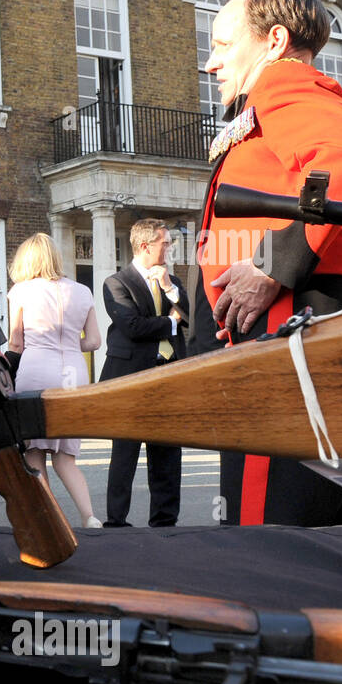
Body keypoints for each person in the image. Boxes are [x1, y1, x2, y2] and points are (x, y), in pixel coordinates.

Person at [189, 0, 342, 525]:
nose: (210, 64)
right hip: (338, 359)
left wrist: (273, 264)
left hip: (297, 362)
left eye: (221, 45)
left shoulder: (286, 90)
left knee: (272, 562)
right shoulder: (310, 108)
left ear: (274, 42)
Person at [7, 234, 102, 529]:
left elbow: (16, 342)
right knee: (65, 457)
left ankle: (51, 521)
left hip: (36, 368)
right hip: (73, 373)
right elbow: (95, 341)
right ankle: (90, 516)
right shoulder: (83, 292)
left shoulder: (21, 291)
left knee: (34, 452)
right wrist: (71, 345)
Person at [99, 219, 187, 528]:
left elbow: (189, 316)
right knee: (125, 452)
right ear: (146, 246)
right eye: (165, 243)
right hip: (130, 378)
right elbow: (132, 326)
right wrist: (172, 322)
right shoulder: (116, 283)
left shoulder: (172, 281)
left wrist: (168, 289)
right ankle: (116, 521)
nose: (170, 248)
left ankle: (165, 520)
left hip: (169, 376)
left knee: (167, 451)